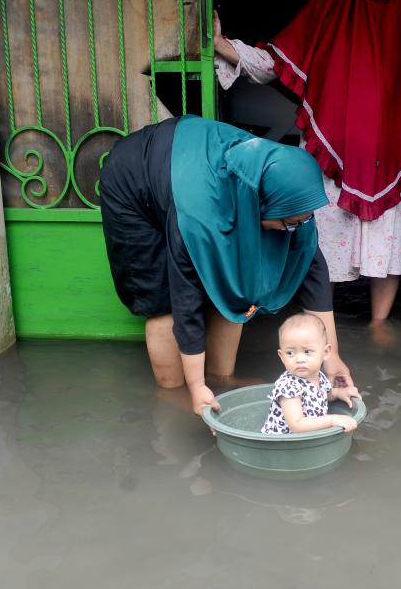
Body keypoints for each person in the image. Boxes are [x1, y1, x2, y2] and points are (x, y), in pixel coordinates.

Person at [213, 0, 401, 346]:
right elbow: (278, 63)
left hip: (384, 154)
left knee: (386, 243)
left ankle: (378, 326)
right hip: (331, 150)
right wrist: (223, 46)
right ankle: (319, 325)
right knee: (323, 235)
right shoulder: (331, 8)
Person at [99, 115, 355, 417]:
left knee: (238, 278)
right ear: (260, 205)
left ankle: (222, 378)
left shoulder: (287, 194)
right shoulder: (199, 217)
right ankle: (173, 392)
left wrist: (332, 357)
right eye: (289, 223)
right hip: (134, 183)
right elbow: (185, 298)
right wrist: (195, 385)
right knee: (162, 300)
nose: (295, 228)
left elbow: (311, 269)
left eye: (302, 221)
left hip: (196, 165)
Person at [261, 313, 361, 434]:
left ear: (325, 352)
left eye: (307, 351)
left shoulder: (319, 376)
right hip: (284, 443)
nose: (299, 359)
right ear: (282, 357)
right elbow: (296, 425)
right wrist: (332, 420)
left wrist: (338, 393)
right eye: (290, 353)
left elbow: (320, 396)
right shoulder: (288, 386)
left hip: (307, 438)